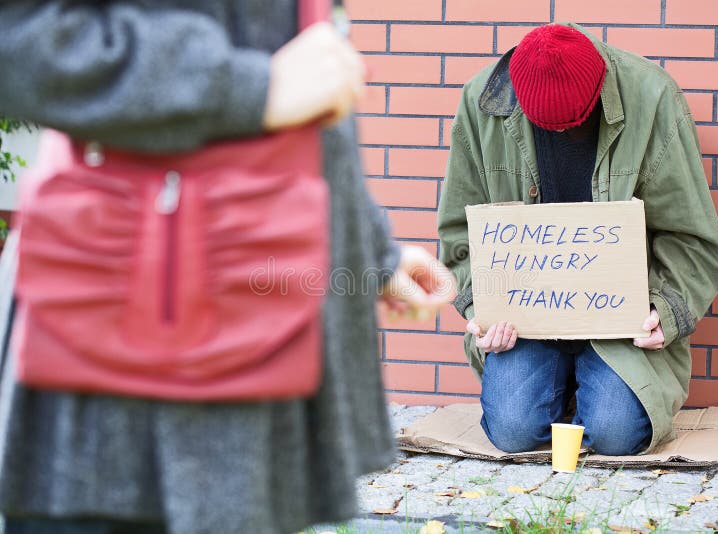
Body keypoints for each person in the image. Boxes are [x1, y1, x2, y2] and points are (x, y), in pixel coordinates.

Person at [0, 2, 454, 533]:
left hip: (254, 327)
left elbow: (304, 90)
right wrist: (246, 86)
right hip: (112, 385)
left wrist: (371, 253)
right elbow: (20, 39)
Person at [437, 23, 718, 456]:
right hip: (525, 321)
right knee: (514, 434)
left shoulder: (654, 98)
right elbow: (458, 231)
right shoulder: (483, 102)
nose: (560, 136)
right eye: (546, 127)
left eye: (573, 125)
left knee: (617, 435)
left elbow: (691, 237)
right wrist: (482, 308)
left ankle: (595, 389)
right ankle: (565, 389)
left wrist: (665, 311)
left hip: (620, 324)